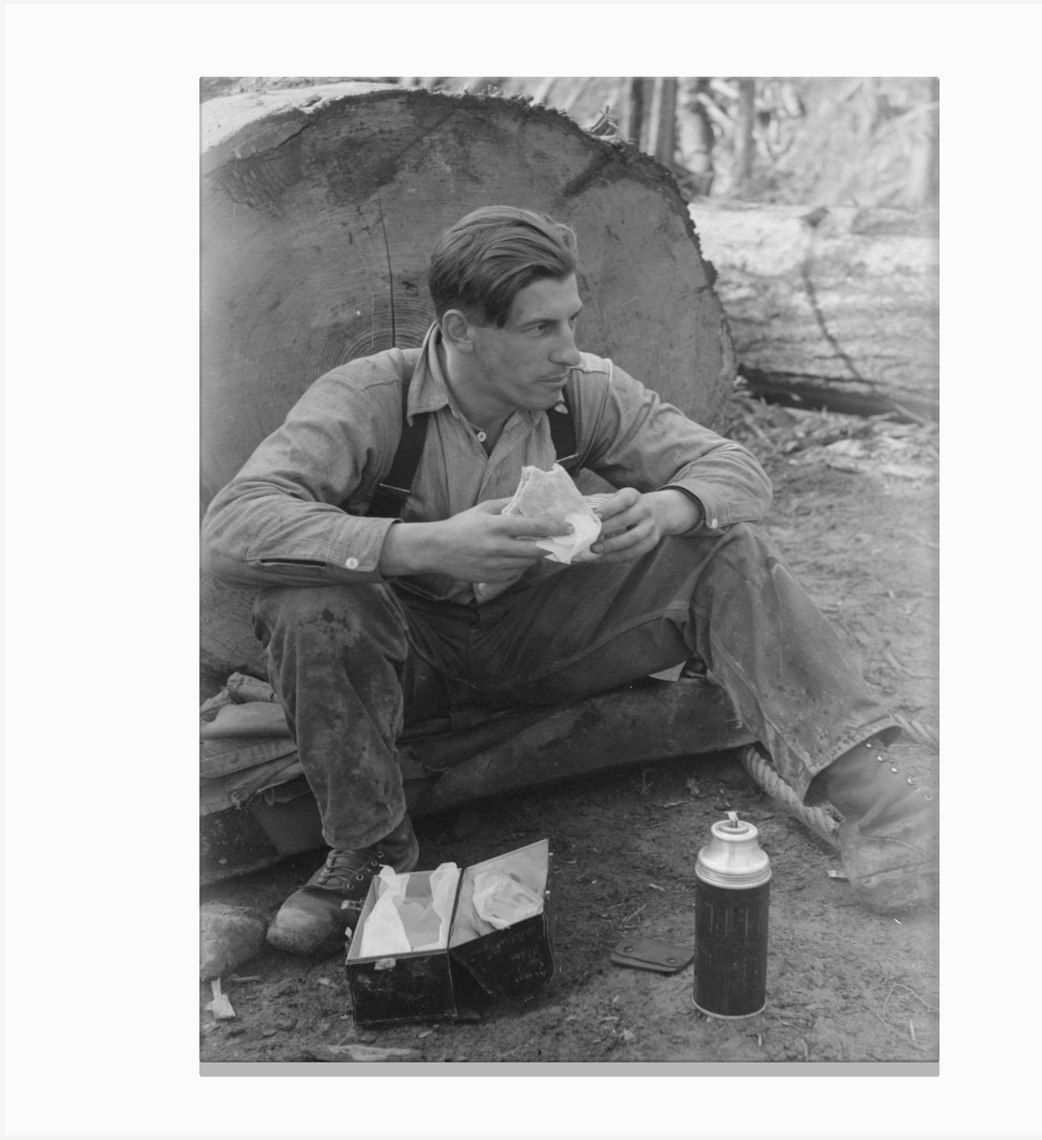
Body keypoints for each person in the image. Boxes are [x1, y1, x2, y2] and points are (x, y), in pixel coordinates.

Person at [201, 205, 937, 956]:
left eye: (572, 322)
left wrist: (668, 506)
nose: (567, 350)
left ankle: (887, 810)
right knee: (312, 604)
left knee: (726, 548)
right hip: (408, 661)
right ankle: (370, 853)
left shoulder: (584, 389)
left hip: (539, 641)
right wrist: (426, 545)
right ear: (460, 332)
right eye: (539, 329)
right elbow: (232, 528)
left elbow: (739, 472)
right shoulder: (368, 399)